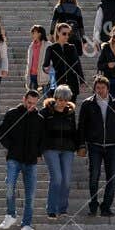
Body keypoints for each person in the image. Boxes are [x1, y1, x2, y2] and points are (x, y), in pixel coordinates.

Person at [78, 74, 115, 217]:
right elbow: (81, 126)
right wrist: (81, 145)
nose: (100, 90)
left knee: (112, 177)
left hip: (112, 146)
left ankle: (106, 207)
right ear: (94, 89)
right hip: (94, 145)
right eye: (97, 88)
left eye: (103, 88)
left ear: (108, 88)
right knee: (94, 176)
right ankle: (93, 205)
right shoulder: (87, 104)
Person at [0, 88, 43, 230]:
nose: (31, 106)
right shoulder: (12, 114)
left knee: (30, 194)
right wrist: (11, 147)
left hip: (30, 161)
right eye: (29, 102)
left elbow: (43, 139)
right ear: (24, 99)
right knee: (10, 186)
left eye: (34, 104)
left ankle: (26, 224)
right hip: (14, 158)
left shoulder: (39, 119)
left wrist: (38, 153)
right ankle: (11, 214)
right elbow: (2, 133)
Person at [41, 84, 78, 218]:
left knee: (66, 179)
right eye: (60, 99)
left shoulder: (70, 113)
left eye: (65, 100)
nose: (62, 103)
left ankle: (62, 209)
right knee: (57, 178)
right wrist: (38, 151)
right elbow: (40, 133)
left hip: (68, 149)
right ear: (55, 98)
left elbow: (74, 131)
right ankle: (51, 209)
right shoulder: (45, 112)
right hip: (51, 149)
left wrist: (80, 146)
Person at [44, 22, 84, 99]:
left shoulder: (72, 47)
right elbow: (45, 65)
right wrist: (46, 69)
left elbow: (77, 64)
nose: (67, 36)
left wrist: (82, 81)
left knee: (71, 107)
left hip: (72, 81)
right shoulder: (51, 48)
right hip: (57, 81)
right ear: (58, 33)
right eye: (64, 33)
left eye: (69, 34)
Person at [24, 24, 47, 92]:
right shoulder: (31, 46)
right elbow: (29, 62)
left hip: (44, 75)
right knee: (32, 96)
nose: (32, 35)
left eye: (34, 33)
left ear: (40, 34)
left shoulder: (48, 45)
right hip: (32, 75)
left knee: (46, 97)